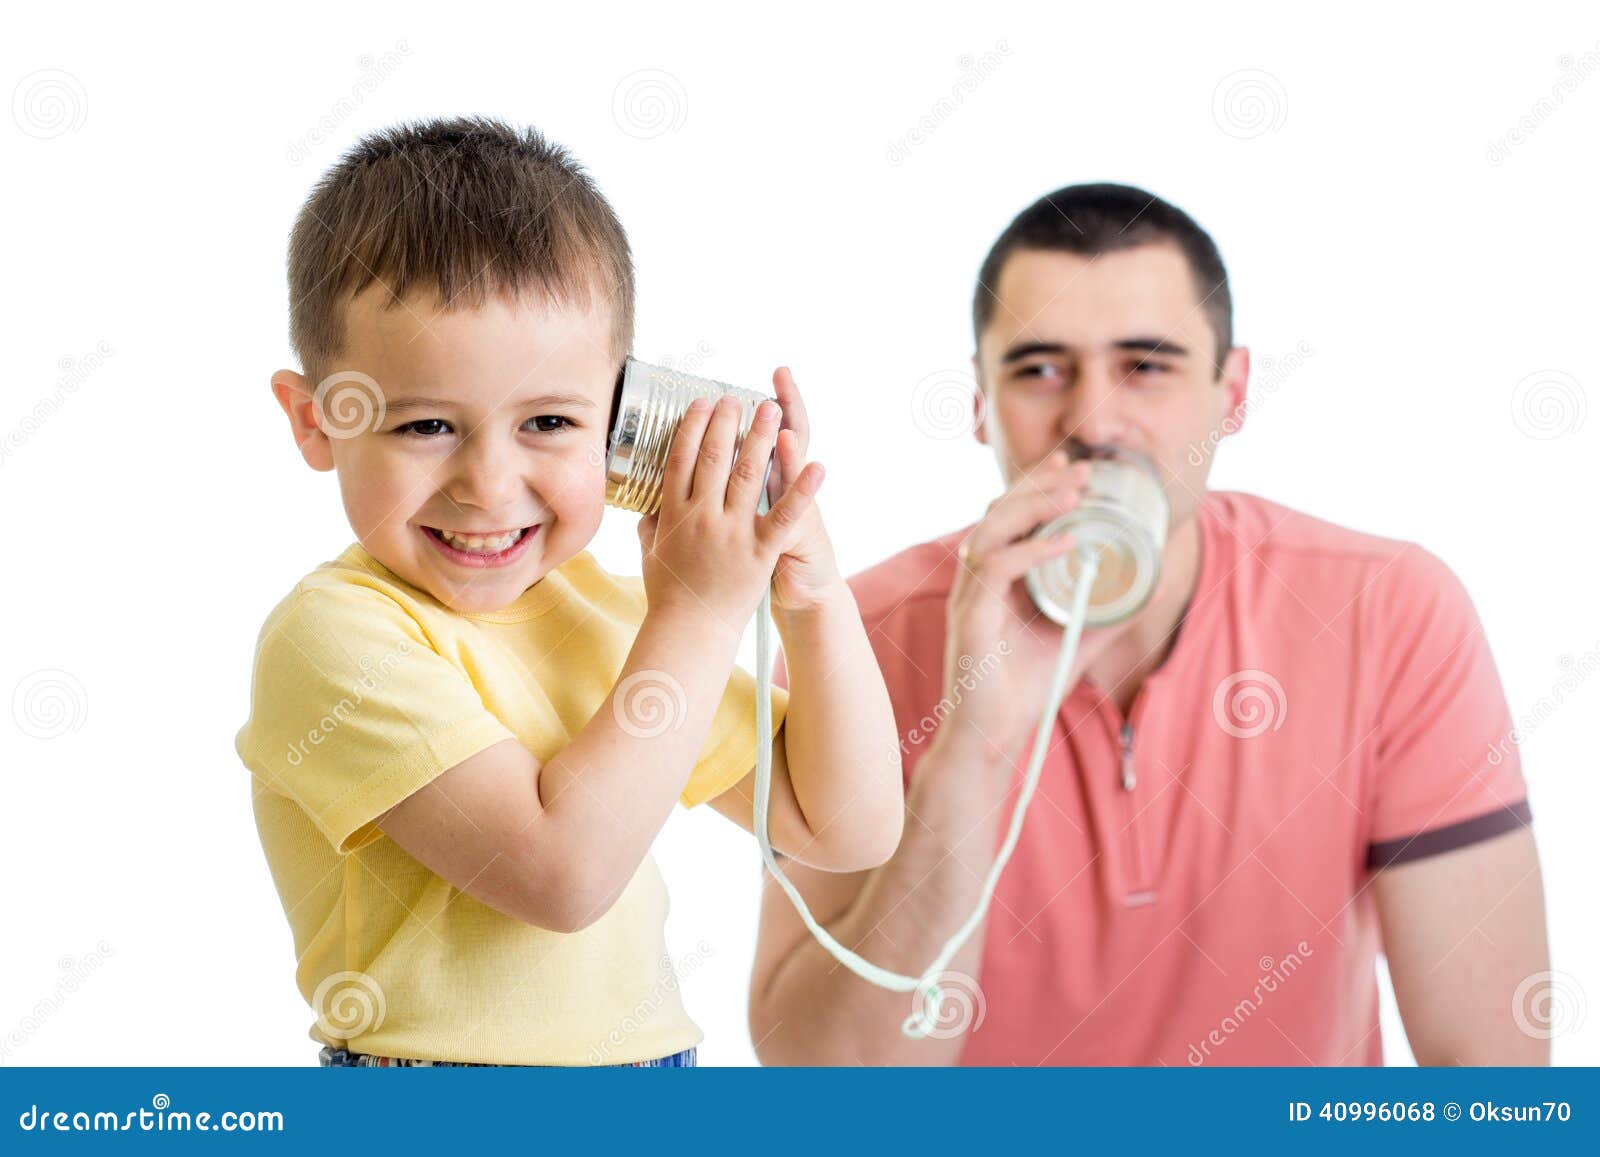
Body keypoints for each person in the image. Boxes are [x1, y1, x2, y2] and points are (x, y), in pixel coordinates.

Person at [751, 183, 1548, 1066]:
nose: (1093, 421)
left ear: (1232, 391)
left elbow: (1493, 1080)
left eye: (1148, 364)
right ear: (979, 402)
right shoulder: (844, 639)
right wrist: (974, 746)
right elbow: (834, 1095)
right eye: (1040, 368)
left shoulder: (1391, 613)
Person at [235, 116, 903, 1067]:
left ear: (625, 425)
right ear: (314, 421)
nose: (490, 486)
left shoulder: (619, 613)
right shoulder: (333, 636)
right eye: (426, 425)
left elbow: (846, 825)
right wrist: (700, 612)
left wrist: (809, 588)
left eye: (548, 420)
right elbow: (560, 876)